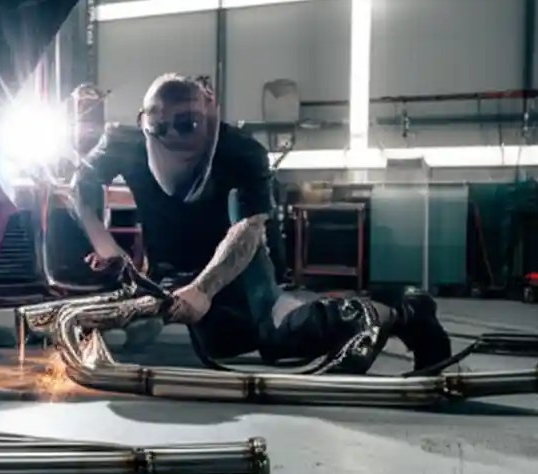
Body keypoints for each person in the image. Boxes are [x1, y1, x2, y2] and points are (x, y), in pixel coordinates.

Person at [69, 73, 451, 373]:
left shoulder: (241, 151)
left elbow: (249, 228)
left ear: (207, 117)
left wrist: (204, 289)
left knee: (275, 339)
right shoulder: (125, 143)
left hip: (239, 267)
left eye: (186, 125)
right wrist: (108, 249)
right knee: (206, 340)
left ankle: (402, 311)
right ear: (146, 124)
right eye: (161, 129)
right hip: (173, 273)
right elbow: (80, 185)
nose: (174, 137)